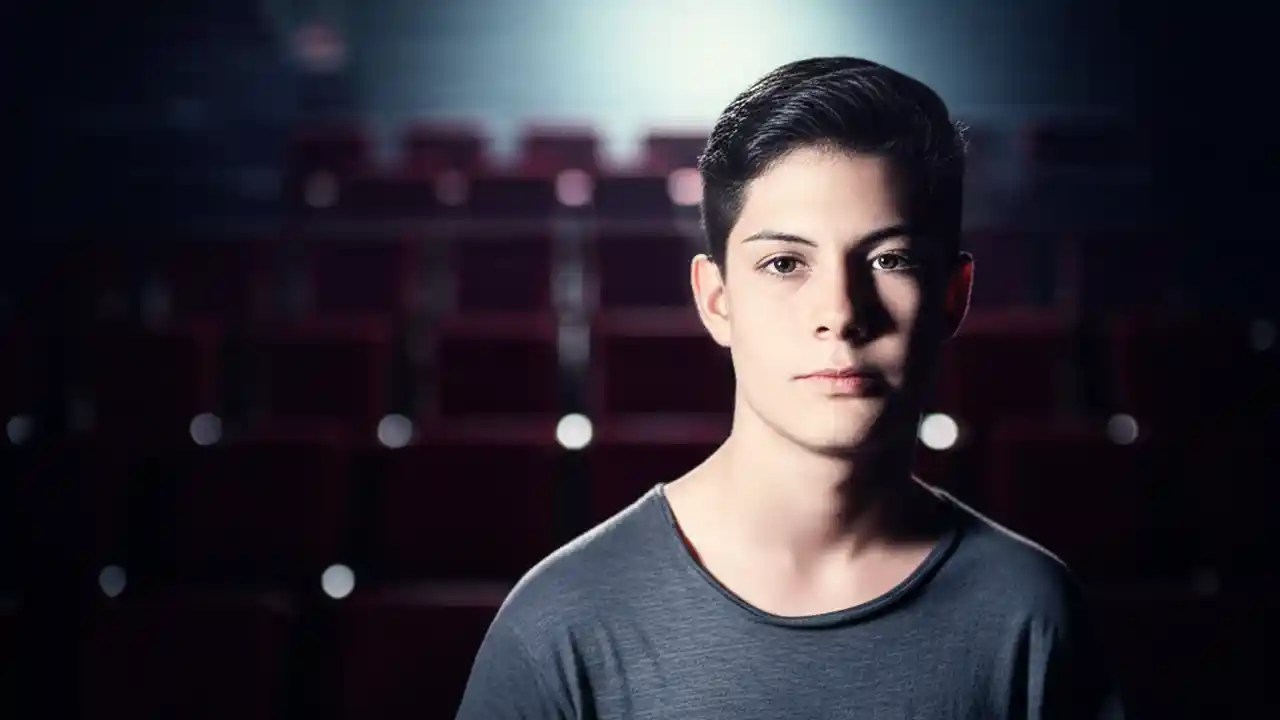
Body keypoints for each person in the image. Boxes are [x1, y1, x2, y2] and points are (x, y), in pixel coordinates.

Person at [456, 56, 1126, 719]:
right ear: (716, 301)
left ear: (954, 297)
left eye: (889, 259)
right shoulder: (561, 626)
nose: (840, 311)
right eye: (784, 263)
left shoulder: (1031, 613)